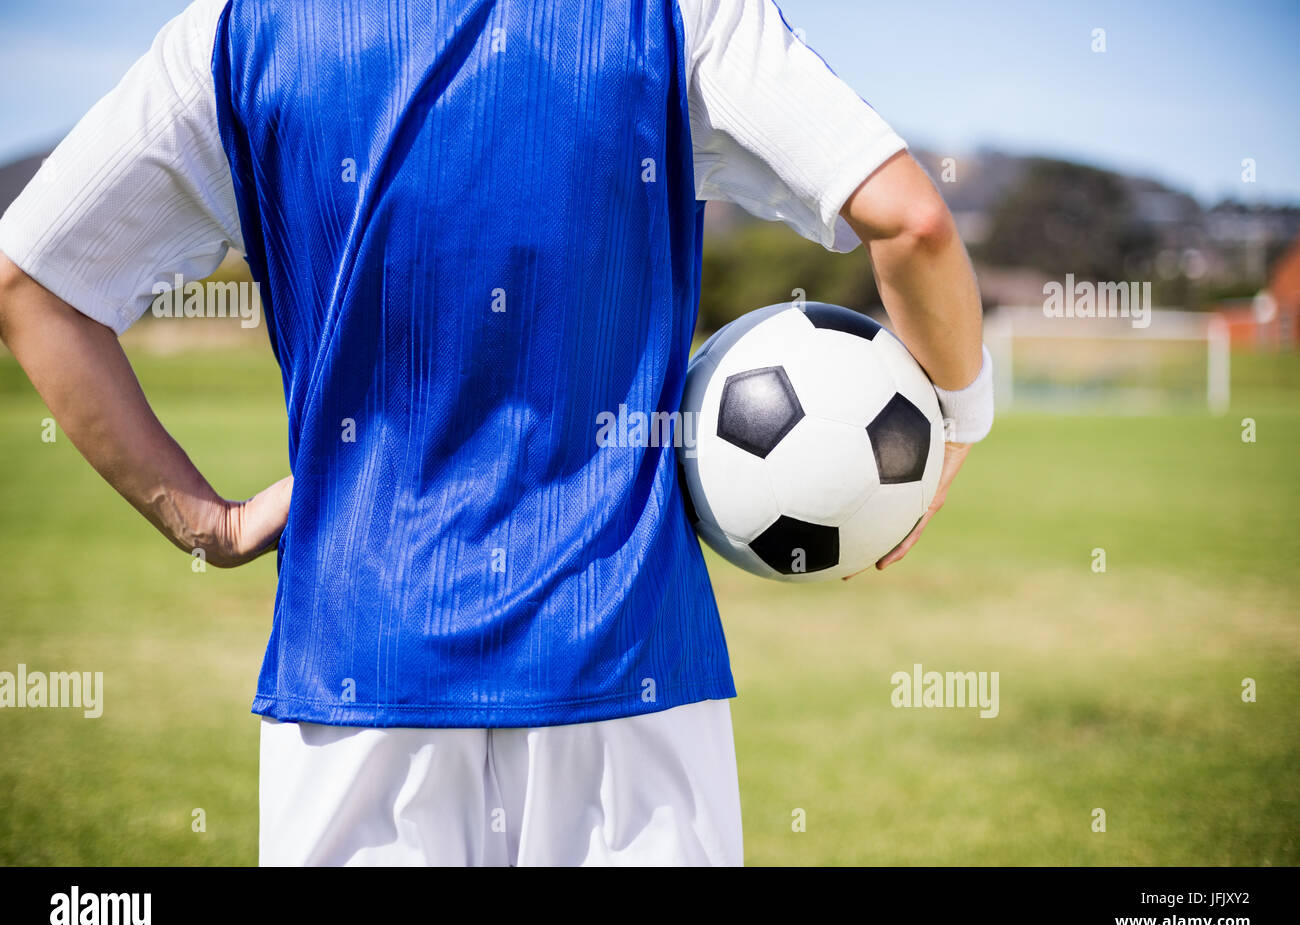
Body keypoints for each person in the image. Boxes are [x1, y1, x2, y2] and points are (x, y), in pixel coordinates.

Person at [0, 0, 992, 866]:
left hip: (355, 666)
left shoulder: (232, 31)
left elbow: (32, 282)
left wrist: (206, 524)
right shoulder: (675, 12)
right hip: (624, 660)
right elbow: (913, 222)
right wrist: (954, 418)